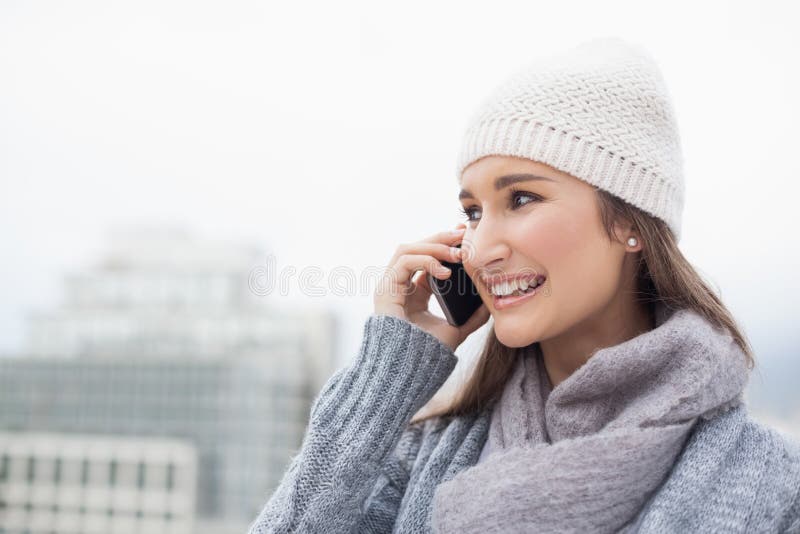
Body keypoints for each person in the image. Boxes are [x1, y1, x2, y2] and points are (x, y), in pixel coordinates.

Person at [248, 36, 800, 533]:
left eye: (521, 199)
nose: (481, 248)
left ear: (630, 222)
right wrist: (384, 379)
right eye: (472, 211)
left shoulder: (775, 489)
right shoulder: (419, 459)